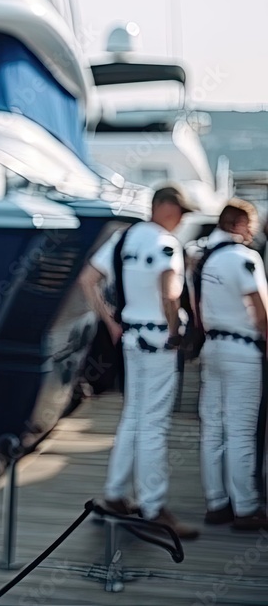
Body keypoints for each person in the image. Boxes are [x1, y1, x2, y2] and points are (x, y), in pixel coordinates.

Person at [79, 185, 200, 539]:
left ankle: (116, 496)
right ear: (163, 206)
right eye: (179, 210)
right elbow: (170, 291)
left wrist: (111, 322)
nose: (180, 219)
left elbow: (89, 280)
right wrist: (177, 331)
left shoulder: (123, 239)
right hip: (159, 340)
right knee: (154, 424)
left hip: (131, 338)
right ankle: (153, 506)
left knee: (133, 415)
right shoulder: (166, 243)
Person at [196, 199, 268, 530]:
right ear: (238, 225)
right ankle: (247, 507)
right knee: (240, 430)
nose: (254, 232)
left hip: (212, 348)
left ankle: (216, 502)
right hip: (243, 351)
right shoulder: (246, 259)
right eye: (251, 224)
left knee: (213, 428)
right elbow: (259, 307)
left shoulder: (205, 260)